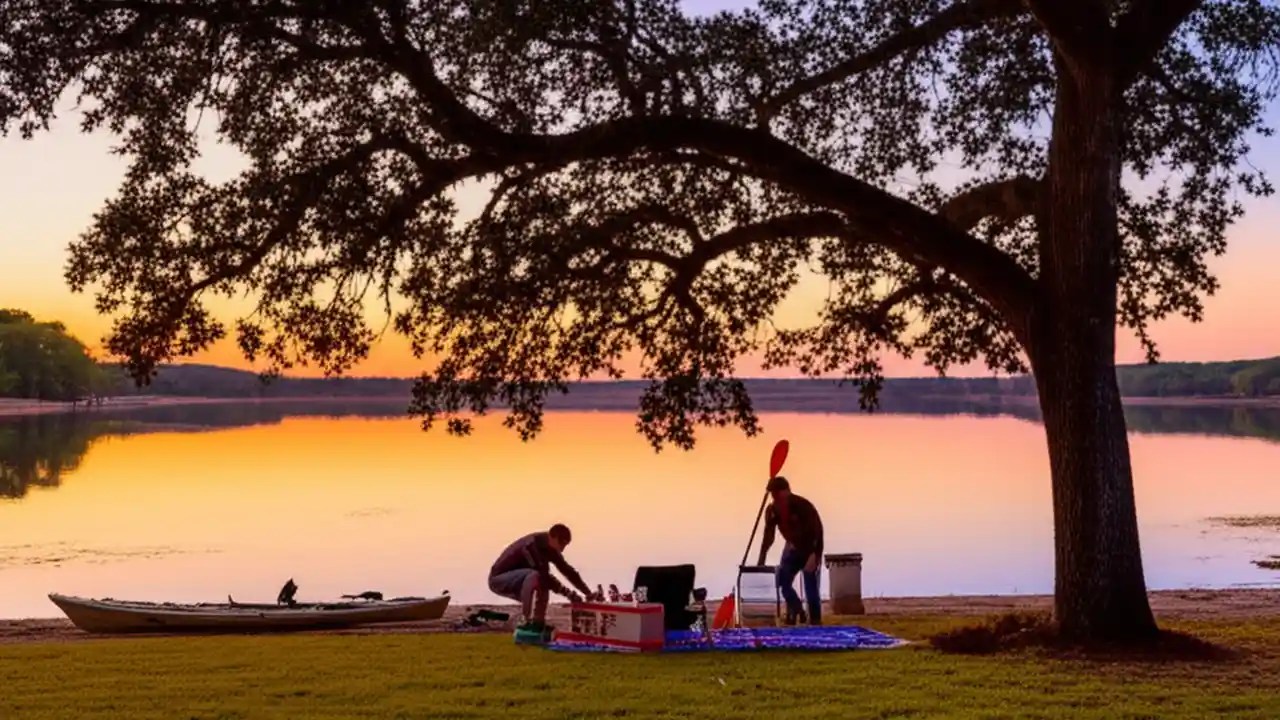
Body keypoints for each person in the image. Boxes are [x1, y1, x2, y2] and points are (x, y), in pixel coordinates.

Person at [488, 523, 593, 636]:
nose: (562, 549)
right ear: (552, 537)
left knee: (542, 582)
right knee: (535, 577)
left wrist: (588, 593)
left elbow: (568, 571)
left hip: (522, 580)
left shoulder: (551, 549)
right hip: (499, 580)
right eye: (561, 544)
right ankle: (526, 621)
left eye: (565, 545)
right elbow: (543, 576)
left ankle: (538, 624)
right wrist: (568, 594)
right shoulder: (531, 546)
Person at [757, 476, 824, 625]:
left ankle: (815, 620)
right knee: (783, 581)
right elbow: (768, 536)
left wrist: (814, 555)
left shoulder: (803, 506)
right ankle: (796, 609)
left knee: (810, 584)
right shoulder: (772, 510)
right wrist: (762, 558)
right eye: (773, 495)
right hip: (792, 548)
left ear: (786, 491)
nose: (775, 498)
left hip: (810, 549)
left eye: (777, 493)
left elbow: (816, 531)